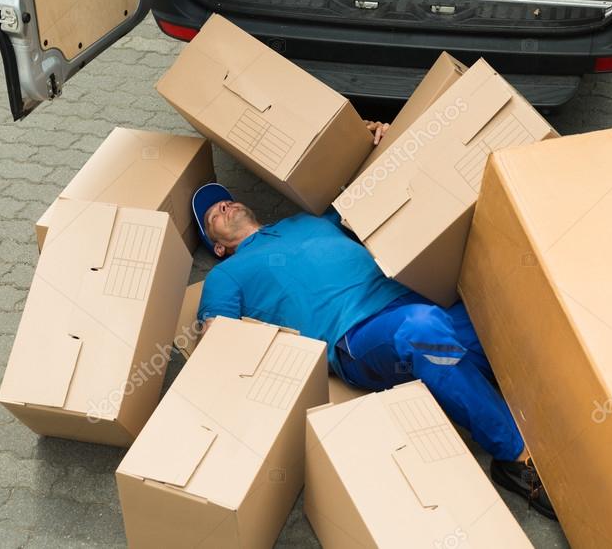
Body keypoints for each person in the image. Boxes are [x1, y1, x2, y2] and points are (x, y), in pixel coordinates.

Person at [191, 123, 556, 520]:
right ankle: (514, 457)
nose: (224, 206)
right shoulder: (225, 275)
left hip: (408, 298)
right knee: (423, 331)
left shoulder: (303, 222)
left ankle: (559, 410)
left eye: (225, 200)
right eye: (212, 215)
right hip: (357, 335)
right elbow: (219, 343)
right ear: (218, 246)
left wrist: (373, 141)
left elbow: (366, 197)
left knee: (501, 307)